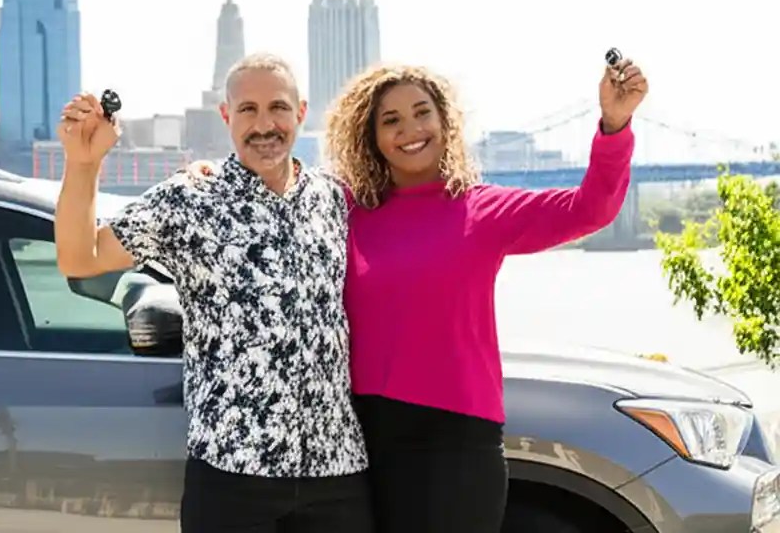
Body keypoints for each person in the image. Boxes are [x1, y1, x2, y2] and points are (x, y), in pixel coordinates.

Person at [188, 56, 647, 532]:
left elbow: (591, 208)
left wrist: (614, 126)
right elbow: (271, 192)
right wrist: (211, 177)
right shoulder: (344, 208)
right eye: (391, 120)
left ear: (444, 121)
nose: (410, 129)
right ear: (372, 136)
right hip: (360, 441)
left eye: (422, 112)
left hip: (454, 445)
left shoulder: (484, 210)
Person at [53, 52, 374, 532]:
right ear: (227, 116)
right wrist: (84, 164)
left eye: (278, 108)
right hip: (232, 473)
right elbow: (81, 259)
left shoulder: (333, 199)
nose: (264, 124)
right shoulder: (190, 201)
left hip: (337, 471)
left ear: (301, 112)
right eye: (248, 110)